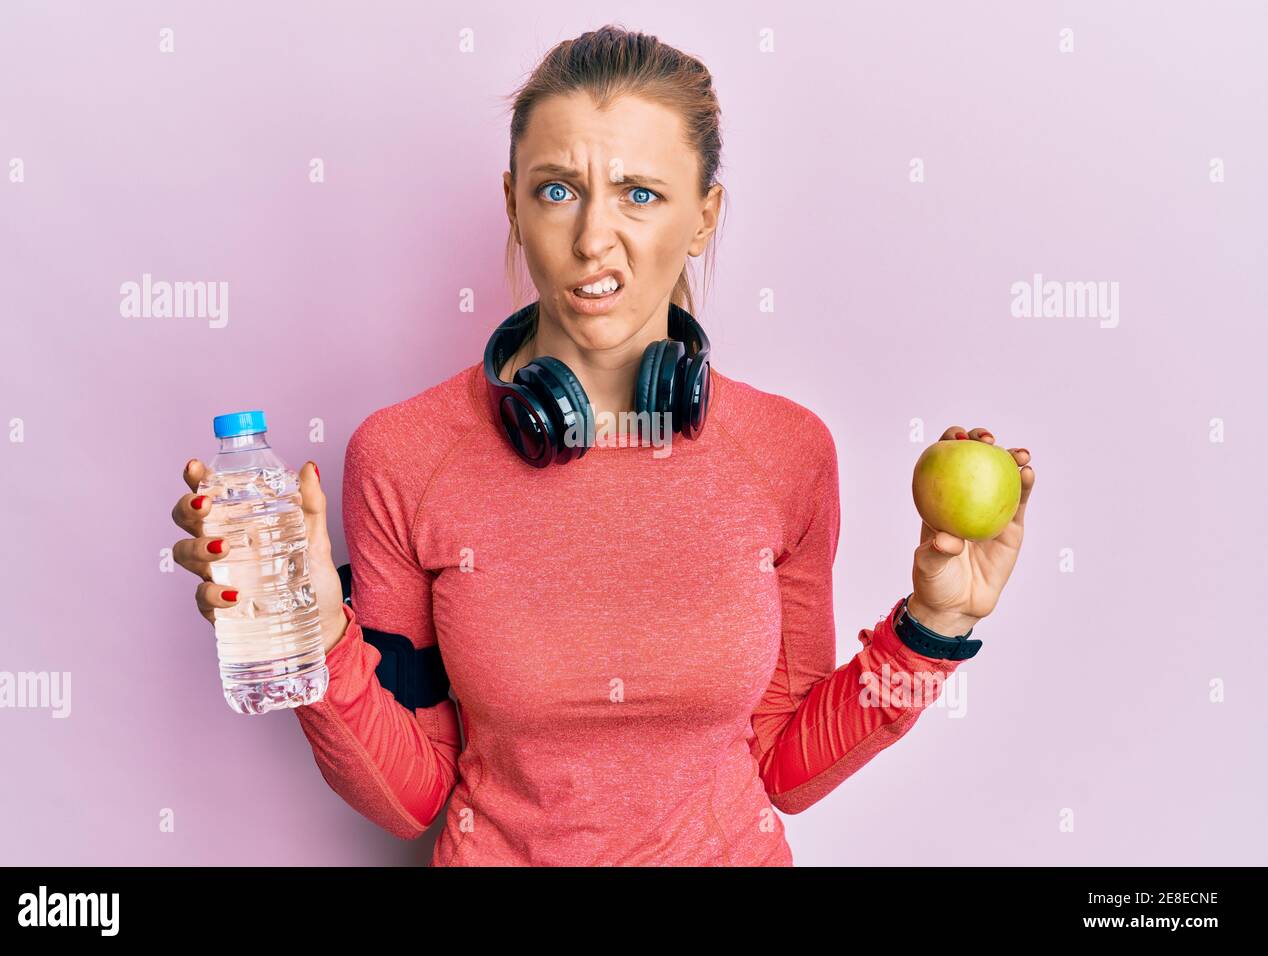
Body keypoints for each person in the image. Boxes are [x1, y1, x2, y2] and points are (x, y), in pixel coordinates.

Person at [171, 25, 1035, 866]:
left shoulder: (788, 453)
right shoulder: (403, 455)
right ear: (511, 201)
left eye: (641, 193)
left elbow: (785, 765)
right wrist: (319, 635)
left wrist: (937, 625)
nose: (592, 236)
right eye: (556, 189)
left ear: (705, 216)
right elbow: (412, 797)